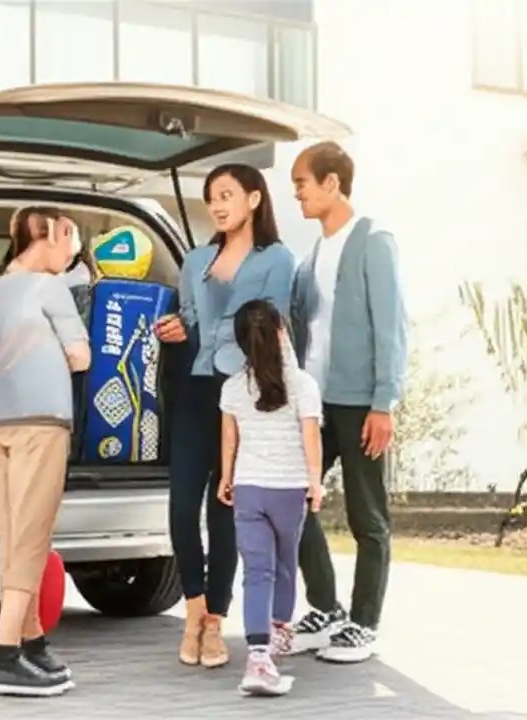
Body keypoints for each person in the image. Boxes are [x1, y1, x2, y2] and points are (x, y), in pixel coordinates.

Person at [153, 163, 296, 668]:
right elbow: (191, 318)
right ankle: (192, 611)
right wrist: (175, 327)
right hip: (194, 388)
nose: (217, 204)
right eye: (212, 196)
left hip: (243, 392)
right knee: (181, 502)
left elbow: (273, 323)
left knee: (226, 505)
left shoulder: (277, 259)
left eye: (227, 194)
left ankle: (216, 621)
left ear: (254, 199)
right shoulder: (196, 260)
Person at [286, 141, 407, 664]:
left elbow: (392, 327)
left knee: (367, 516)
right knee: (292, 498)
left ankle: (363, 622)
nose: (297, 195)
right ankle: (325, 608)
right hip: (314, 402)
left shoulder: (373, 241)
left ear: (332, 182)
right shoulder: (311, 254)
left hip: (360, 403)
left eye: (302, 184)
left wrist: (384, 401)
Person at [0, 206, 89, 697]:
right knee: (32, 536)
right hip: (40, 421)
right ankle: (3, 655)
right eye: (72, 240)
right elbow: (80, 357)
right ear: (50, 235)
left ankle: (32, 640)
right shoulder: (49, 288)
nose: (75, 251)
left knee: (14, 536)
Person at [217, 299, 324, 696]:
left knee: (256, 571)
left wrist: (225, 478)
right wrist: (315, 483)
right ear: (282, 333)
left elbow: (230, 439)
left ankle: (257, 656)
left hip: (248, 489)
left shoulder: (232, 387)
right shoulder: (303, 385)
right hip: (289, 490)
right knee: (284, 563)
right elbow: (310, 438)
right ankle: (279, 631)